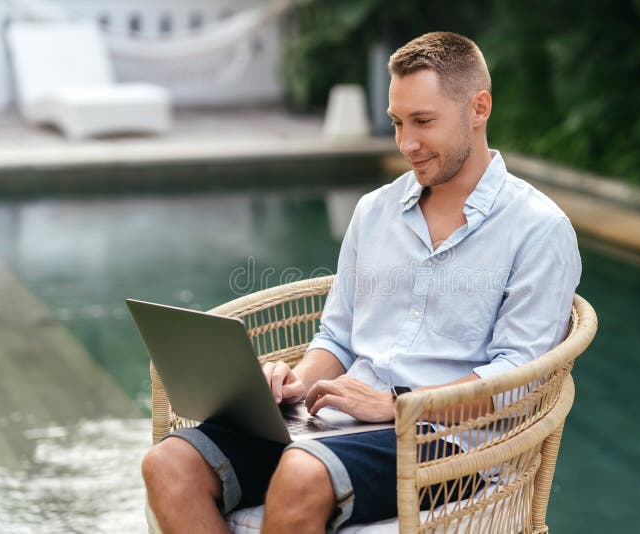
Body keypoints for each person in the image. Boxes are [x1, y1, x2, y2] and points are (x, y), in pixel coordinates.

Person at [142, 31, 581, 533]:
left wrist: (400, 405)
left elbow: (518, 378)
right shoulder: (374, 212)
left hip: (449, 442)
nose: (406, 143)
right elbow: (338, 337)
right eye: (397, 122)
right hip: (338, 420)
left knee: (302, 473)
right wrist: (295, 382)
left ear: (478, 108)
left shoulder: (539, 229)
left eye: (423, 121)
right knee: (169, 465)